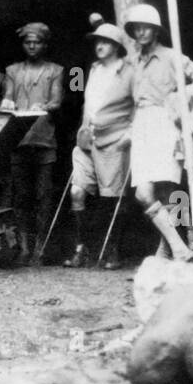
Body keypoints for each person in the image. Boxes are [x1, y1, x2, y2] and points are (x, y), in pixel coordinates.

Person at [122, 2, 193, 263]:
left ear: (156, 30)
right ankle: (177, 248)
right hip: (142, 124)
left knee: (162, 192)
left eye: (146, 28)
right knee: (143, 193)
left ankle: (171, 250)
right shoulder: (133, 62)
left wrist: (182, 96)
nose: (141, 33)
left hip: (165, 123)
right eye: (136, 28)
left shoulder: (172, 56)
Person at [65, 20, 133, 268]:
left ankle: (112, 250)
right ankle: (80, 248)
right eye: (97, 41)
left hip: (114, 142)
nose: (99, 46)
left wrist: (132, 133)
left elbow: (141, 106)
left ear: (116, 46)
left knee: (111, 198)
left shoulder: (129, 72)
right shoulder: (92, 69)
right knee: (77, 191)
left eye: (105, 42)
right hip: (86, 140)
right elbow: (88, 104)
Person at [1, 23, 64, 264]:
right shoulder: (13, 70)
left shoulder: (55, 70)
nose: (32, 45)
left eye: (37, 42)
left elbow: (58, 100)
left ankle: (41, 247)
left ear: (45, 44)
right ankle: (24, 247)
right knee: (21, 197)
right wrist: (6, 102)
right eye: (28, 41)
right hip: (19, 141)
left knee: (43, 196)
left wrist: (46, 106)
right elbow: (7, 95)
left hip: (44, 141)